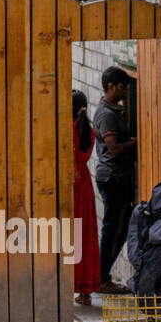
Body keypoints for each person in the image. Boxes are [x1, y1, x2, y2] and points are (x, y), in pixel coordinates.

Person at [92, 65, 137, 293]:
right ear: (111, 87)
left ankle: (102, 276)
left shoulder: (113, 110)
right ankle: (101, 279)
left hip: (119, 179)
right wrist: (136, 142)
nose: (125, 92)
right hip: (113, 179)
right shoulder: (107, 115)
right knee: (111, 230)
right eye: (122, 87)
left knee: (120, 229)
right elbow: (115, 149)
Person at [72, 91, 99, 305]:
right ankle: (85, 292)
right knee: (84, 236)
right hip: (84, 184)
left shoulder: (66, 129)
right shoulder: (88, 130)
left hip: (68, 183)